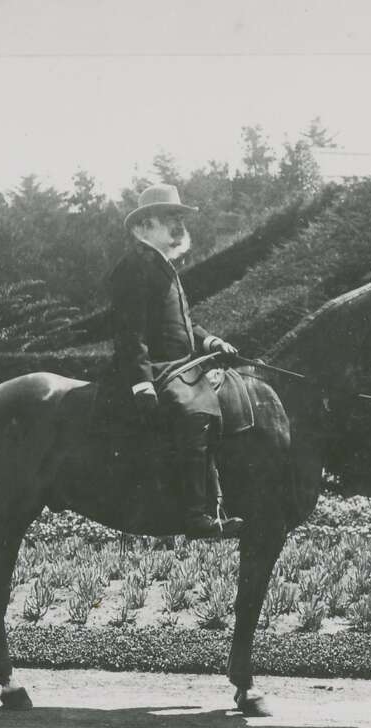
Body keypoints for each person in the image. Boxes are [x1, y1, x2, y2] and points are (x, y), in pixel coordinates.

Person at [107, 183, 245, 539]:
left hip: (178, 367)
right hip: (151, 370)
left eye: (180, 217)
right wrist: (141, 383)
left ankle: (221, 500)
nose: (178, 225)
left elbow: (183, 323)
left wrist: (210, 340)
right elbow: (130, 333)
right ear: (142, 227)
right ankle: (195, 516)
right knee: (194, 411)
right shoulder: (134, 266)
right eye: (169, 218)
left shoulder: (162, 266)